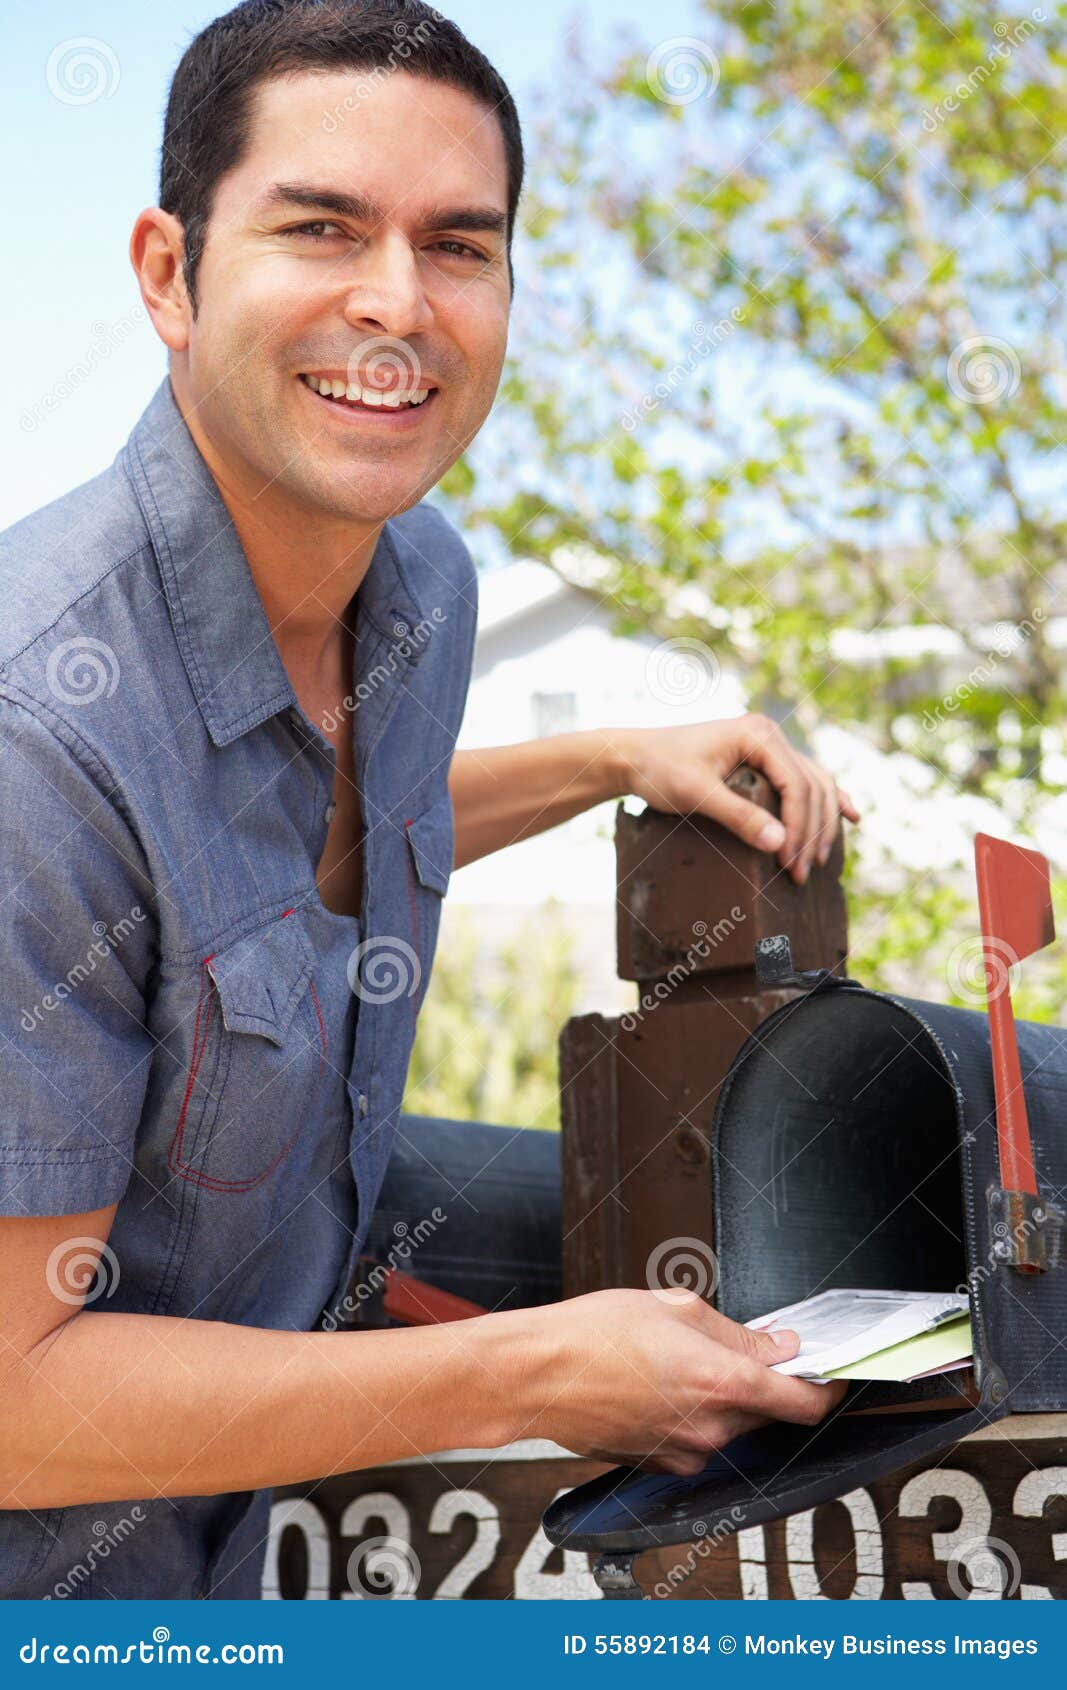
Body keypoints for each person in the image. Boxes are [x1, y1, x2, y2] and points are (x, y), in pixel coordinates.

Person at [0, 0, 855, 1599]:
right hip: (61, 1578)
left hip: (298, 1287)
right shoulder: (32, 737)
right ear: (169, 274)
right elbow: (6, 1404)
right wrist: (528, 1372)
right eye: (322, 227)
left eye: (460, 245)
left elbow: (304, 815)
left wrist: (614, 755)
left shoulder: (423, 589)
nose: (396, 302)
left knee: (747, 1239)